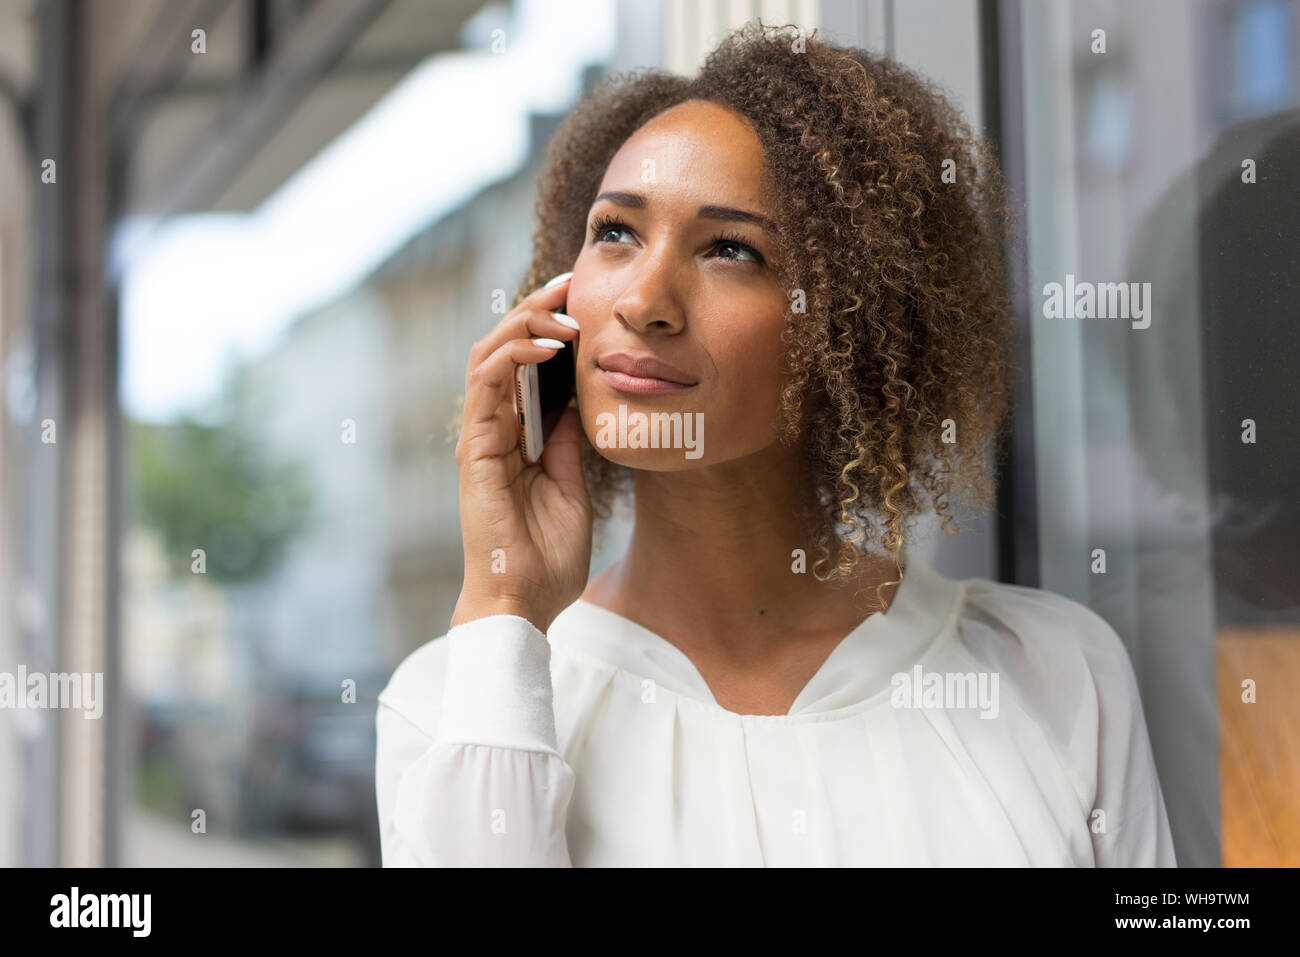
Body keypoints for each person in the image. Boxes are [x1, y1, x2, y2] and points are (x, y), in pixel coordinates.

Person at [375, 22, 1175, 866]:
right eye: (615, 232)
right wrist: (505, 607)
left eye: (731, 249)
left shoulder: (1055, 672)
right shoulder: (455, 702)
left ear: (851, 327)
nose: (645, 299)